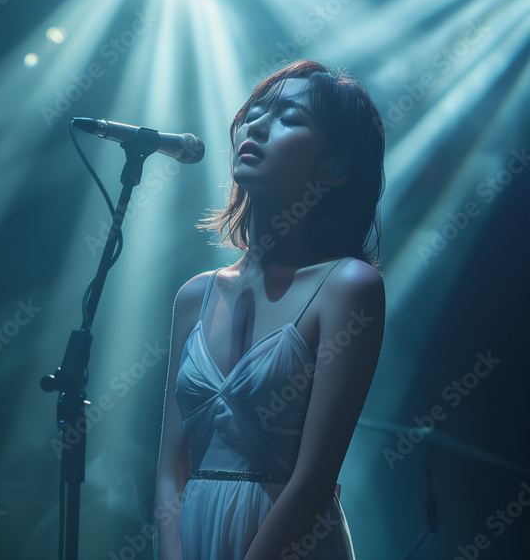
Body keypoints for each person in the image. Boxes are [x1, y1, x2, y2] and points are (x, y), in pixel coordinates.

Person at [153, 60, 386, 560]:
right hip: (194, 538)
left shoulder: (347, 287)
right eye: (254, 111)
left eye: (290, 118)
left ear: (335, 167)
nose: (256, 125)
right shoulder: (194, 295)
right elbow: (171, 468)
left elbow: (315, 478)